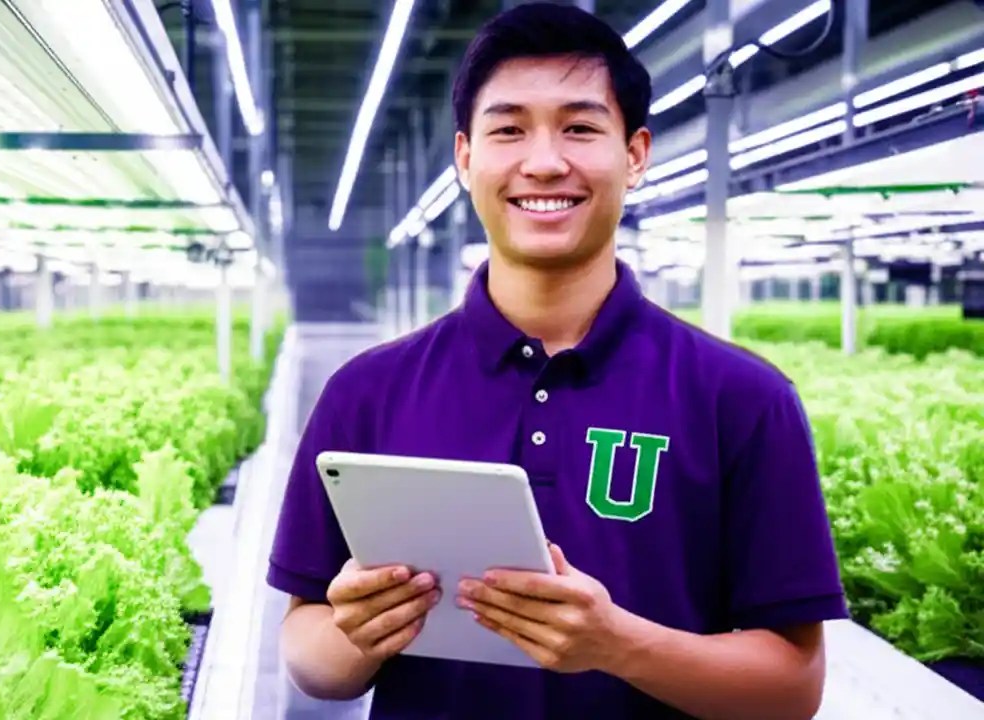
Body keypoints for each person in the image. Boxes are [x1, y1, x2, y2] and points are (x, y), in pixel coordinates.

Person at [265, 3, 849, 718]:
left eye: (579, 127)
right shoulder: (368, 393)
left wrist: (617, 645)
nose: (544, 161)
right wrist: (358, 634)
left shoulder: (742, 399)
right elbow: (307, 648)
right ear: (465, 157)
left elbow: (792, 688)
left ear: (635, 154)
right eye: (508, 129)